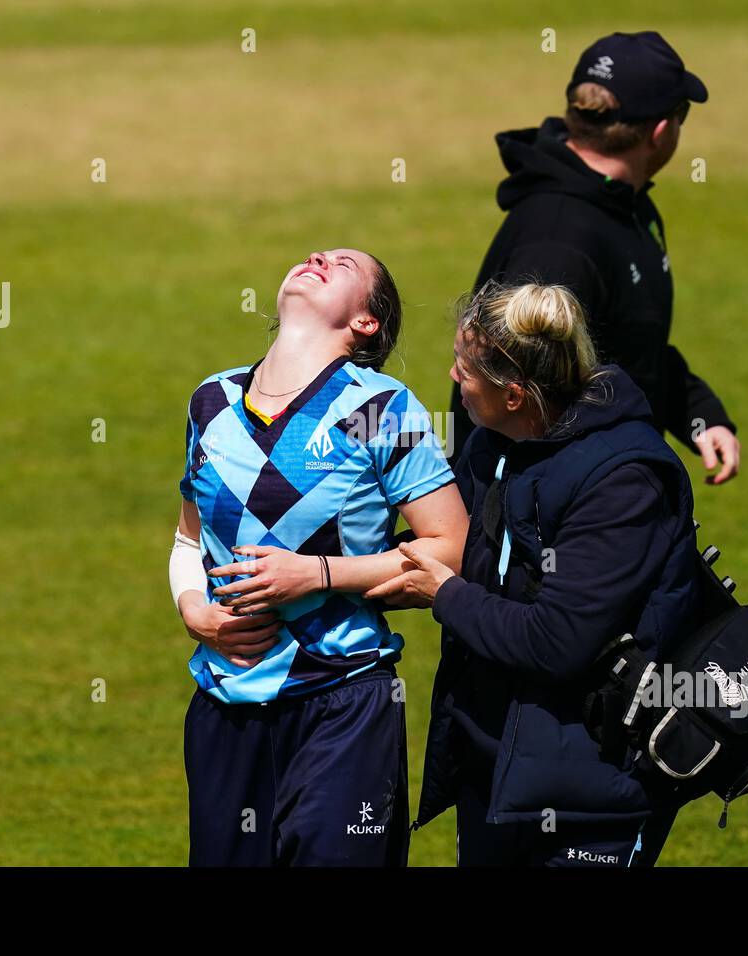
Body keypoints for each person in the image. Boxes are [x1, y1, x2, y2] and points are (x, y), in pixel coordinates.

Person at [368, 281, 700, 866]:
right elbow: (453, 548)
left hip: (589, 789)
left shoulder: (624, 480)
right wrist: (320, 574)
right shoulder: (493, 444)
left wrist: (443, 593)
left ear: (515, 393)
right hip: (495, 767)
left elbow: (557, 641)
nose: (452, 377)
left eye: (465, 369)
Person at [170, 248, 467, 866]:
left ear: (366, 323)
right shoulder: (211, 402)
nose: (318, 258)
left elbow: (451, 549)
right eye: (317, 255)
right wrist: (193, 609)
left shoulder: (382, 408)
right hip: (225, 707)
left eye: (343, 265)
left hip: (344, 704)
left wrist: (317, 575)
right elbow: (188, 541)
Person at [449, 31, 740, 487]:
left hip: (596, 487)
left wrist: (698, 413)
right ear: (662, 130)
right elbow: (508, 400)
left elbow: (627, 341)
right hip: (559, 514)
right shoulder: (558, 244)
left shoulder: (623, 204)